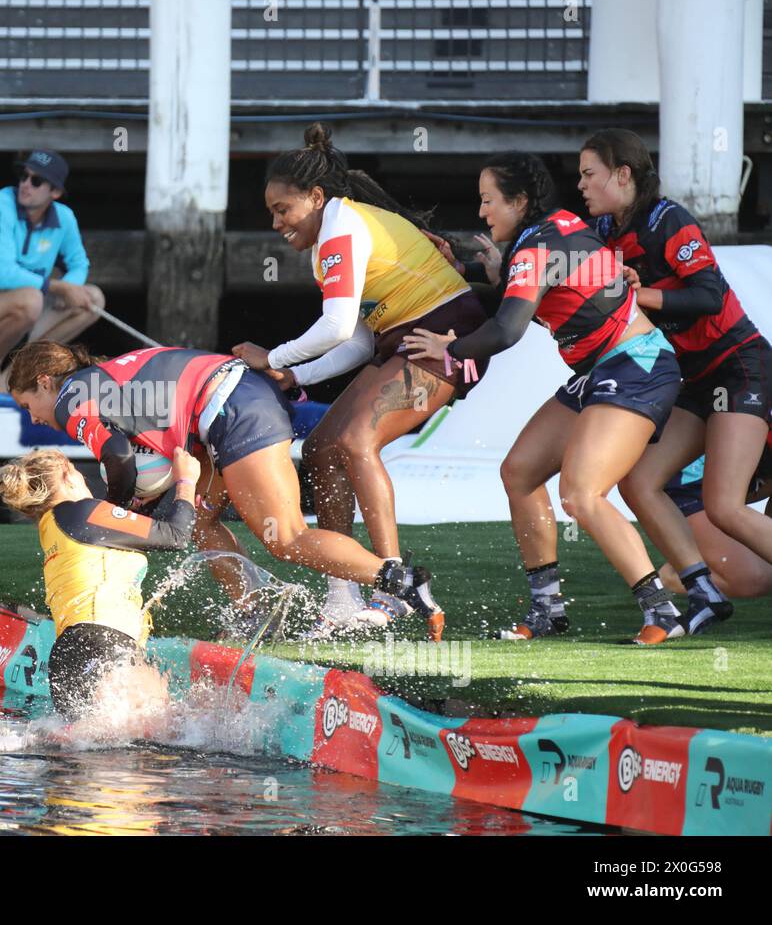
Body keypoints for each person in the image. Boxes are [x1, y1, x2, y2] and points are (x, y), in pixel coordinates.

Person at [402, 152, 685, 645]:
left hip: (636, 366)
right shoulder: (556, 228)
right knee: (520, 471)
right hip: (604, 371)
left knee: (580, 494)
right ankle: (548, 610)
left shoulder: (535, 249)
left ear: (520, 201)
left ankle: (663, 612)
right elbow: (541, 287)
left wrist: (452, 348)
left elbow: (507, 329)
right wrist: (487, 269)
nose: (484, 213)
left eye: (490, 201)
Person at [231, 123, 492, 636]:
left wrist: (271, 357)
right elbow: (357, 342)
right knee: (323, 447)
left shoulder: (341, 229)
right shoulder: (326, 239)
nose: (276, 223)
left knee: (354, 442)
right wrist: (294, 373)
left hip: (444, 337)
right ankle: (341, 598)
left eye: (283, 209)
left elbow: (332, 326)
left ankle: (396, 589)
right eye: (270, 213)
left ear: (315, 196)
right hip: (400, 339)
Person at [5, 341, 447, 641]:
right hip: (230, 402)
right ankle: (256, 614)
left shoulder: (68, 399)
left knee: (285, 536)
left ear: (45, 381)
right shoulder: (101, 377)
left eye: (28, 405)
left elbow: (118, 457)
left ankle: (402, 582)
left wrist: (116, 511)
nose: (35, 418)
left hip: (233, 408)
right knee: (198, 519)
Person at [579, 128, 772, 635]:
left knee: (725, 507)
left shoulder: (670, 220)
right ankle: (702, 590)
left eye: (588, 173)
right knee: (639, 480)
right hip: (694, 379)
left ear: (623, 174)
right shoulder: (601, 227)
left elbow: (708, 295)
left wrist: (643, 298)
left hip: (738, 366)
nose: (581, 184)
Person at [0, 446, 200, 720]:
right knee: (156, 740)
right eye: (77, 472)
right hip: (105, 644)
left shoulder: (55, 524)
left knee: (90, 751)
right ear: (67, 477)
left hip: (69, 656)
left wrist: (144, 503)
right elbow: (176, 535)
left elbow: (124, 533)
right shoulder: (83, 512)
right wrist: (186, 481)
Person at [0, 151, 105, 392]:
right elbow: (4, 274)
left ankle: (13, 377)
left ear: (55, 193)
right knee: (31, 299)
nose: (25, 185)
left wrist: (69, 287)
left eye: (36, 181)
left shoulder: (65, 218)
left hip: (27, 317)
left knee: (93, 299)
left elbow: (79, 263)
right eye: (24, 176)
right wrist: (60, 288)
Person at [658, 441, 772, 601]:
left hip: (742, 457)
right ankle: (667, 581)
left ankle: (698, 553)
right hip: (694, 476)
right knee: (755, 580)